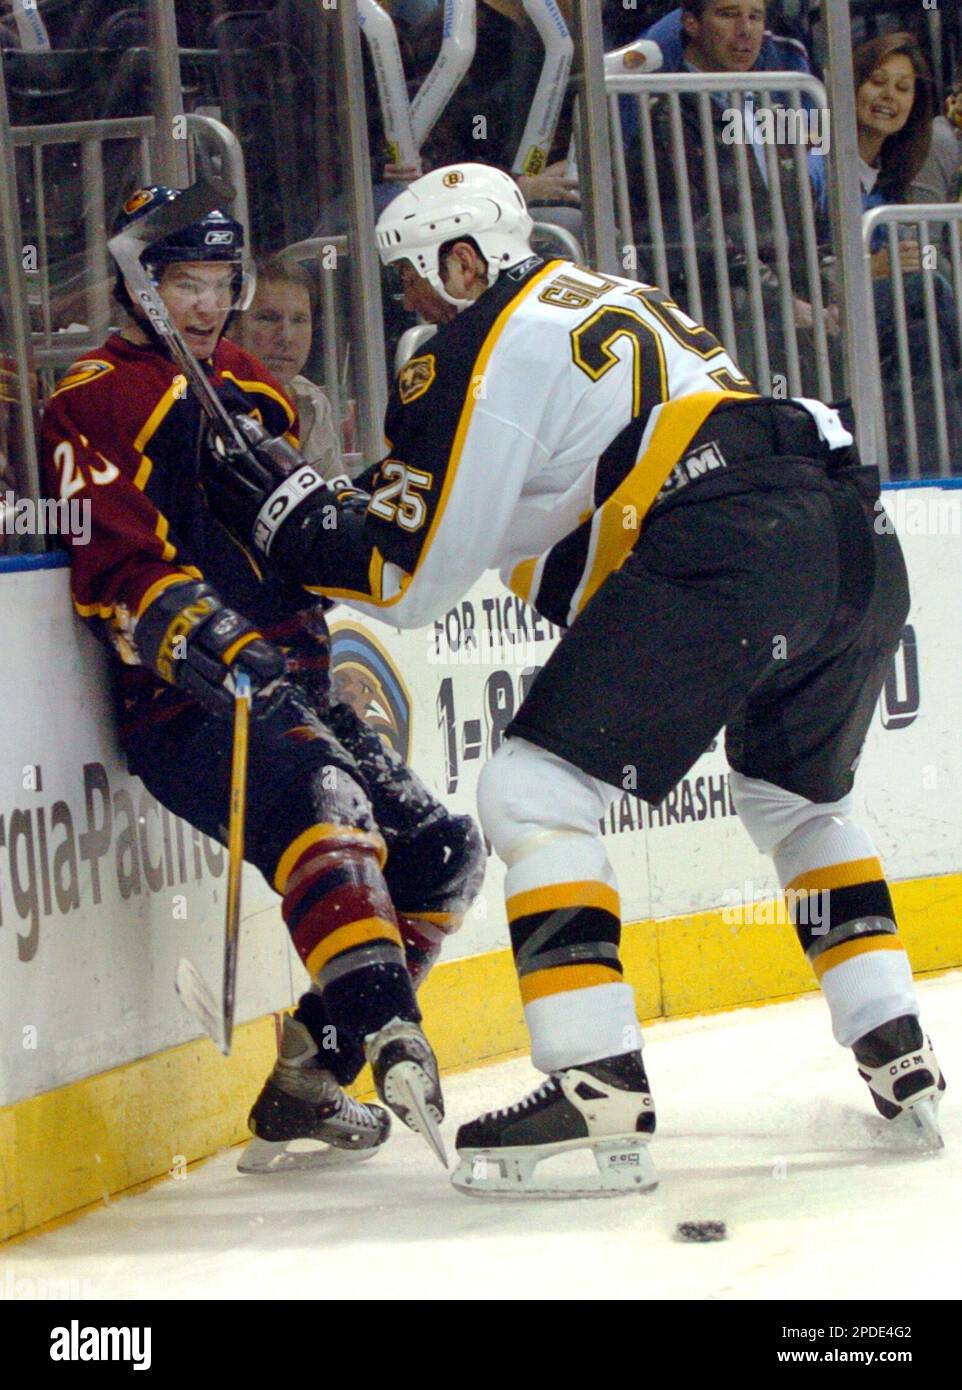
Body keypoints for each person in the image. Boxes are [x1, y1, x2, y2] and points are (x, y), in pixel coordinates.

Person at [202, 164, 946, 1196]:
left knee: (530, 789)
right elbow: (505, 511)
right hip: (849, 529)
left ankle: (594, 1084)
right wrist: (341, 505)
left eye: (415, 278)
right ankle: (895, 1047)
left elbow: (405, 578)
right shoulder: (607, 301)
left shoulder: (472, 339)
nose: (409, 305)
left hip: (730, 534)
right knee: (794, 796)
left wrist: (286, 515)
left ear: (464, 261)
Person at [40, 184, 484, 1172]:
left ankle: (305, 1083)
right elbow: (110, 563)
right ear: (137, 284)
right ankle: (393, 1034)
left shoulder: (250, 383)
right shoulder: (92, 393)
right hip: (189, 703)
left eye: (218, 284)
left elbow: (301, 545)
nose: (205, 305)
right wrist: (206, 638)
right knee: (327, 803)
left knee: (440, 850)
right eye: (182, 283)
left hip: (296, 684)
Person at [628, 0, 835, 396]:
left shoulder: (775, 108)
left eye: (755, 17)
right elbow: (694, 236)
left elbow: (804, 223)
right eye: (728, 14)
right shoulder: (666, 115)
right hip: (722, 312)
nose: (746, 30)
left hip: (787, 305)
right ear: (690, 22)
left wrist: (826, 296)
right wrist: (781, 302)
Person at [810, 33, 962, 474]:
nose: (888, 97)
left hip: (882, 321)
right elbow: (797, 267)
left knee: (922, 333)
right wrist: (867, 271)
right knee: (927, 291)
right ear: (851, 85)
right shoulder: (816, 167)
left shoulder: (891, 185)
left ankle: (934, 470)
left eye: (903, 88)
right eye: (878, 81)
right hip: (824, 321)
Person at [232, 257, 343, 481]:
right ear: (230, 327)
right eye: (268, 318)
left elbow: (331, 500)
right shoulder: (206, 399)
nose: (287, 337)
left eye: (299, 320)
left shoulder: (311, 401)